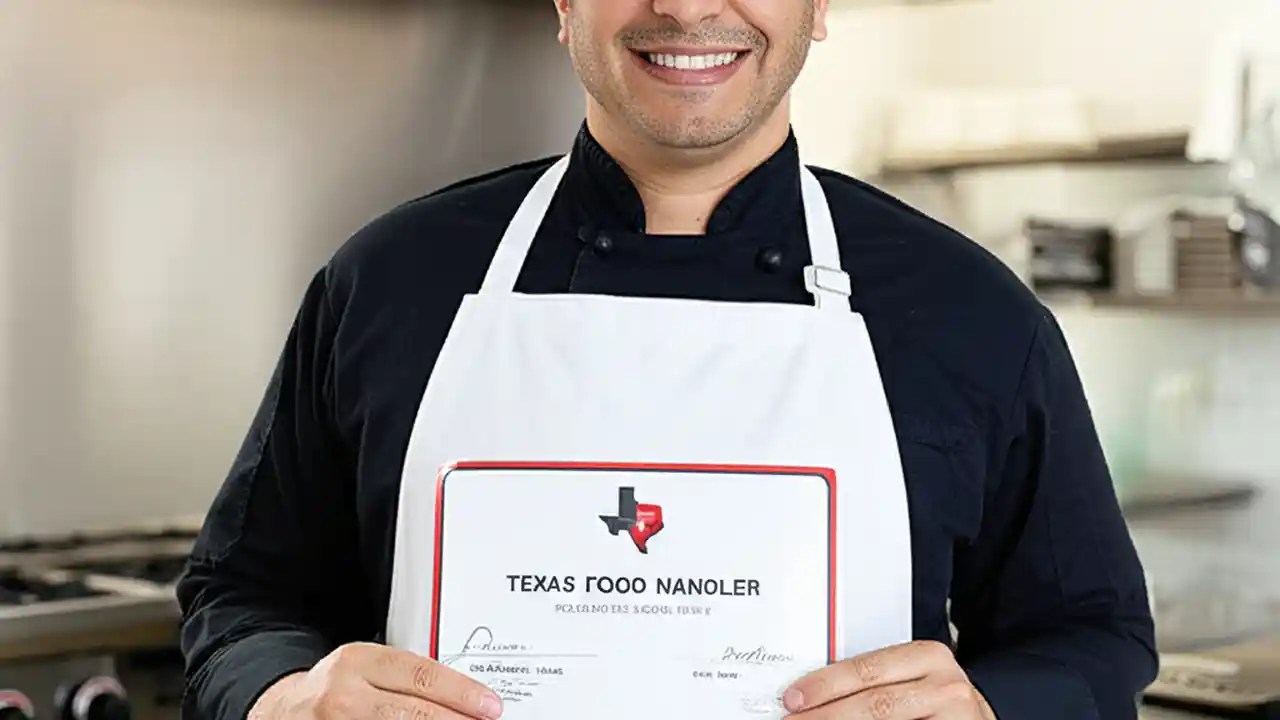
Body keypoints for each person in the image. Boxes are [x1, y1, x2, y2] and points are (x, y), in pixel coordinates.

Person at [177, 0, 1158, 718]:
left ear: (818, 8)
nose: (686, 8)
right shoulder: (387, 281)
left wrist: (991, 708)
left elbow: (1091, 635)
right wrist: (284, 699)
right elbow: (242, 595)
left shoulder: (969, 310)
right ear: (563, 6)